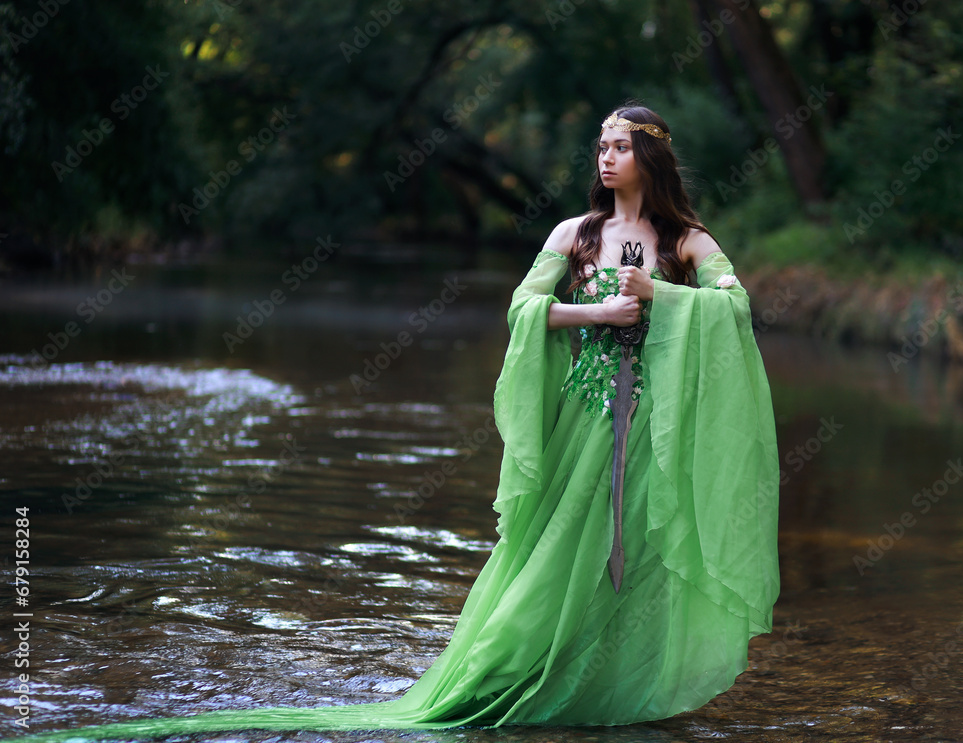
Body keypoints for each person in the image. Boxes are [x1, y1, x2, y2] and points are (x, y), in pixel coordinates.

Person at [18, 104, 780, 741]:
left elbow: (736, 305)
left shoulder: (686, 240)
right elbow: (522, 308)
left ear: (650, 156)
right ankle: (518, 672)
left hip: (649, 428)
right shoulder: (573, 234)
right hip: (582, 419)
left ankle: (613, 683)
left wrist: (661, 297)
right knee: (554, 554)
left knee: (636, 558)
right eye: (601, 147)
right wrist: (599, 312)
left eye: (620, 147)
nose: (606, 158)